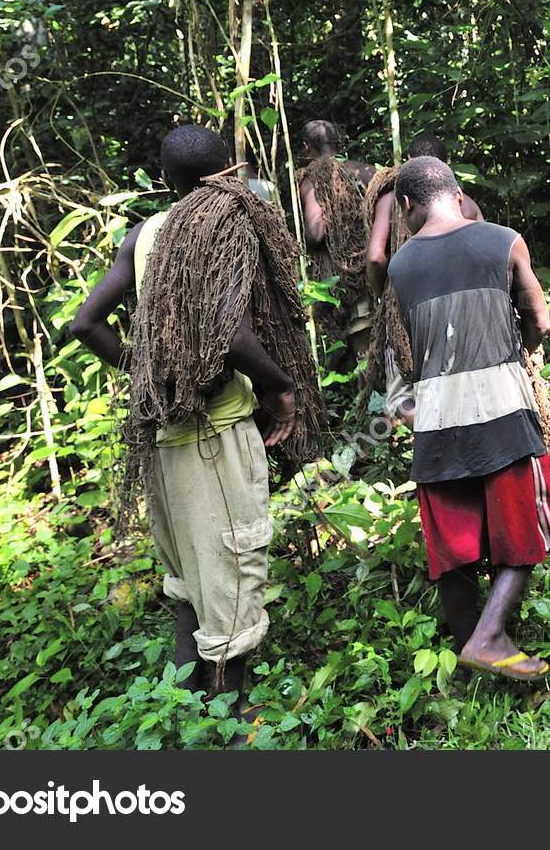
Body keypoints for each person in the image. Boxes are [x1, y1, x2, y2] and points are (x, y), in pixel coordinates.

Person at [71, 125, 301, 723]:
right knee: (232, 566)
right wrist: (281, 389)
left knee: (186, 576)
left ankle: (183, 702)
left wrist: (146, 371)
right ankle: (227, 719)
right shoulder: (225, 227)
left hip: (162, 442)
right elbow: (230, 331)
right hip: (214, 437)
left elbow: (86, 323)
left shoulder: (142, 235)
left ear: (167, 181)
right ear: (226, 172)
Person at [384, 155, 550, 681]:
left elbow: (407, 349)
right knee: (526, 527)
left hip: (437, 420)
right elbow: (539, 318)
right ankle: (488, 638)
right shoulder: (504, 241)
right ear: (459, 195)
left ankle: (469, 648)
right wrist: (522, 347)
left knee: (453, 544)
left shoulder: (400, 265)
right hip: (502, 408)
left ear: (408, 205)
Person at [364, 136, 483, 426]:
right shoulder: (464, 202)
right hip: (460, 309)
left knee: (404, 395)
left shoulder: (392, 198)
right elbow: (485, 251)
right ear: (445, 165)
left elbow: (376, 257)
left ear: (406, 163)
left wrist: (386, 297)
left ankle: (429, 437)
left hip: (405, 305)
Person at [297, 120, 377, 371]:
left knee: (363, 351)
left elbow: (316, 232)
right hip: (378, 269)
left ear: (305, 147)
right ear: (339, 142)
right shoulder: (367, 171)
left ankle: (373, 404)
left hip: (347, 278)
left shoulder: (312, 180)